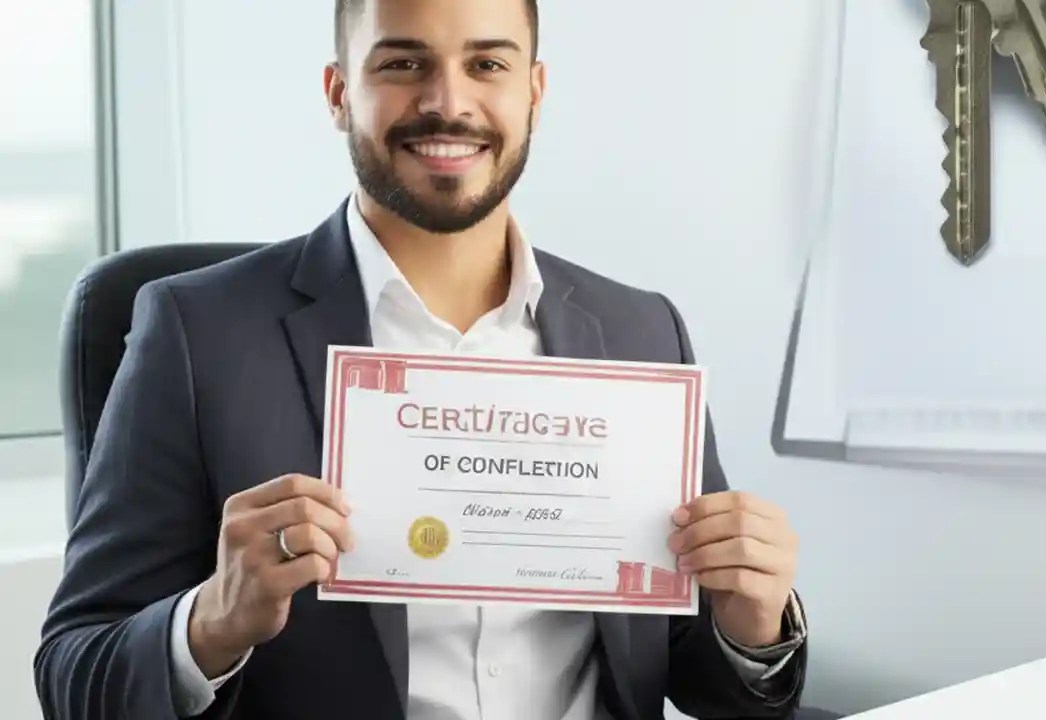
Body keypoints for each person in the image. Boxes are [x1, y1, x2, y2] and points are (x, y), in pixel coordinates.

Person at [34, 0, 811, 718]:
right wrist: (210, 623)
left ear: (535, 91)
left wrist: (753, 626)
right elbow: (74, 674)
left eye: (488, 64)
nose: (448, 101)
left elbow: (707, 681)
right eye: (403, 64)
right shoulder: (197, 332)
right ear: (339, 92)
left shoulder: (642, 331)